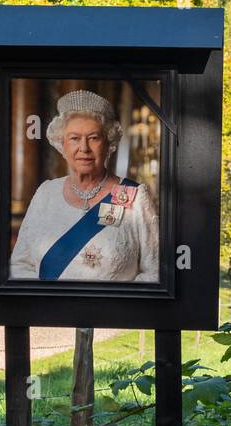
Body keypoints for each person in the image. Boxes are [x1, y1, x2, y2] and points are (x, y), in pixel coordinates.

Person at [10, 90, 159, 282]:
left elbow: (155, 272)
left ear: (109, 144)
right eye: (74, 138)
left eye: (94, 138)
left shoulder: (134, 196)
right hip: (50, 311)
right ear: (62, 144)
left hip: (112, 311)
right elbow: (19, 265)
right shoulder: (46, 193)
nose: (84, 148)